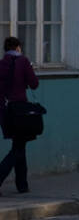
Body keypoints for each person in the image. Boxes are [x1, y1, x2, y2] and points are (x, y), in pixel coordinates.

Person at [0, 36, 39, 195]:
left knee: (19, 144)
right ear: (17, 48)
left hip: (4, 110)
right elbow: (34, 84)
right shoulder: (23, 62)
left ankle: (22, 185)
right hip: (20, 111)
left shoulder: (1, 64)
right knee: (18, 147)